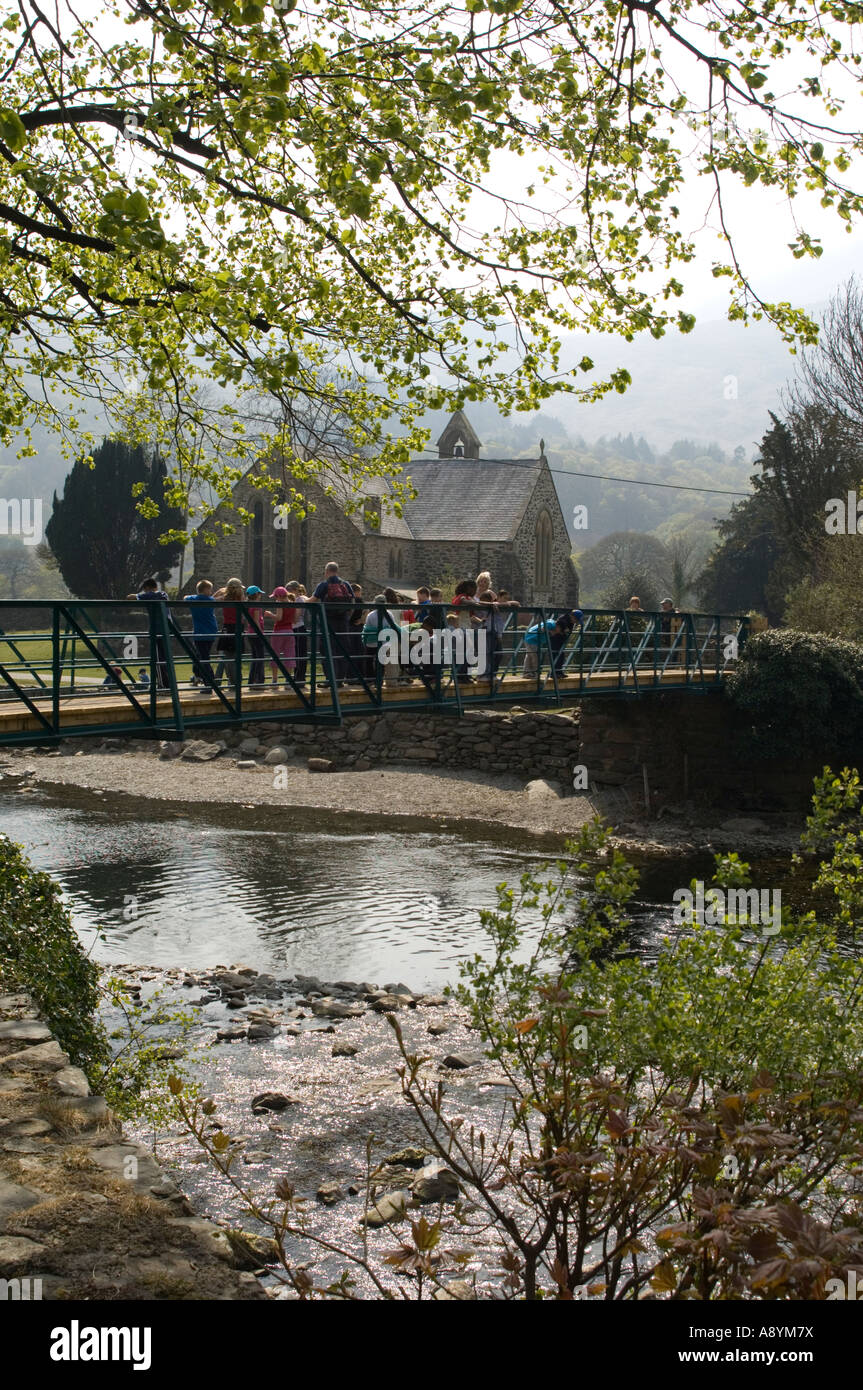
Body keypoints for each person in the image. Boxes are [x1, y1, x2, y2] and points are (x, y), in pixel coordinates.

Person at [312, 562, 355, 684]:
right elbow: (352, 603)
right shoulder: (345, 584)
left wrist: (304, 600)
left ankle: (331, 680)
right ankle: (340, 679)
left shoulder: (324, 585)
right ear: (337, 571)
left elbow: (313, 600)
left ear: (327, 572)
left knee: (328, 650)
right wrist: (347, 617)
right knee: (342, 650)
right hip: (343, 622)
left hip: (328, 623)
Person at [128, 576, 171, 688]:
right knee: (165, 659)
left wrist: (137, 596)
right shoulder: (164, 595)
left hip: (156, 632)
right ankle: (167, 684)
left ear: (147, 588)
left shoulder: (152, 595)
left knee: (157, 659)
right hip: (166, 632)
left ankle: (163, 685)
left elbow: (132, 597)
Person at [185, 578, 218, 692]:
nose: (211, 592)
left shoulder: (193, 600)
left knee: (203, 658)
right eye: (210, 590)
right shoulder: (211, 600)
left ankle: (209, 683)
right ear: (206, 589)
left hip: (199, 633)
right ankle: (202, 677)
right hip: (210, 632)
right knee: (203, 657)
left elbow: (185, 598)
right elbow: (213, 598)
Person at [362, 593, 401, 688]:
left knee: (369, 660)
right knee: (380, 662)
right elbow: (392, 627)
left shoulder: (371, 615)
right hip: (385, 642)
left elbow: (367, 629)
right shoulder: (389, 614)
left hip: (372, 642)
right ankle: (379, 681)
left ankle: (370, 679)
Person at [213, 577, 245, 687]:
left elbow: (212, 598)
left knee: (227, 657)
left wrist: (224, 589)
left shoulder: (224, 598)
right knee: (236, 657)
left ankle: (232, 682)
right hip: (238, 628)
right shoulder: (241, 597)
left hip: (227, 627)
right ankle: (236, 683)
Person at [265, 586, 296, 685]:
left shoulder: (280, 604)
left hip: (279, 631)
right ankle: (288, 681)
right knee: (289, 655)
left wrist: (269, 614)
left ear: (279, 596)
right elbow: (294, 620)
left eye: (275, 597)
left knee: (275, 654)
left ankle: (274, 680)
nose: (275, 599)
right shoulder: (292, 604)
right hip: (290, 631)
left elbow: (279, 617)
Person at [286, 581, 308, 686]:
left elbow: (296, 618)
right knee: (295, 654)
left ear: (294, 590)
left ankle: (300, 679)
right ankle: (297, 677)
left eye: (289, 591)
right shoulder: (294, 600)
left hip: (299, 628)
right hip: (294, 628)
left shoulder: (300, 600)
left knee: (300, 654)